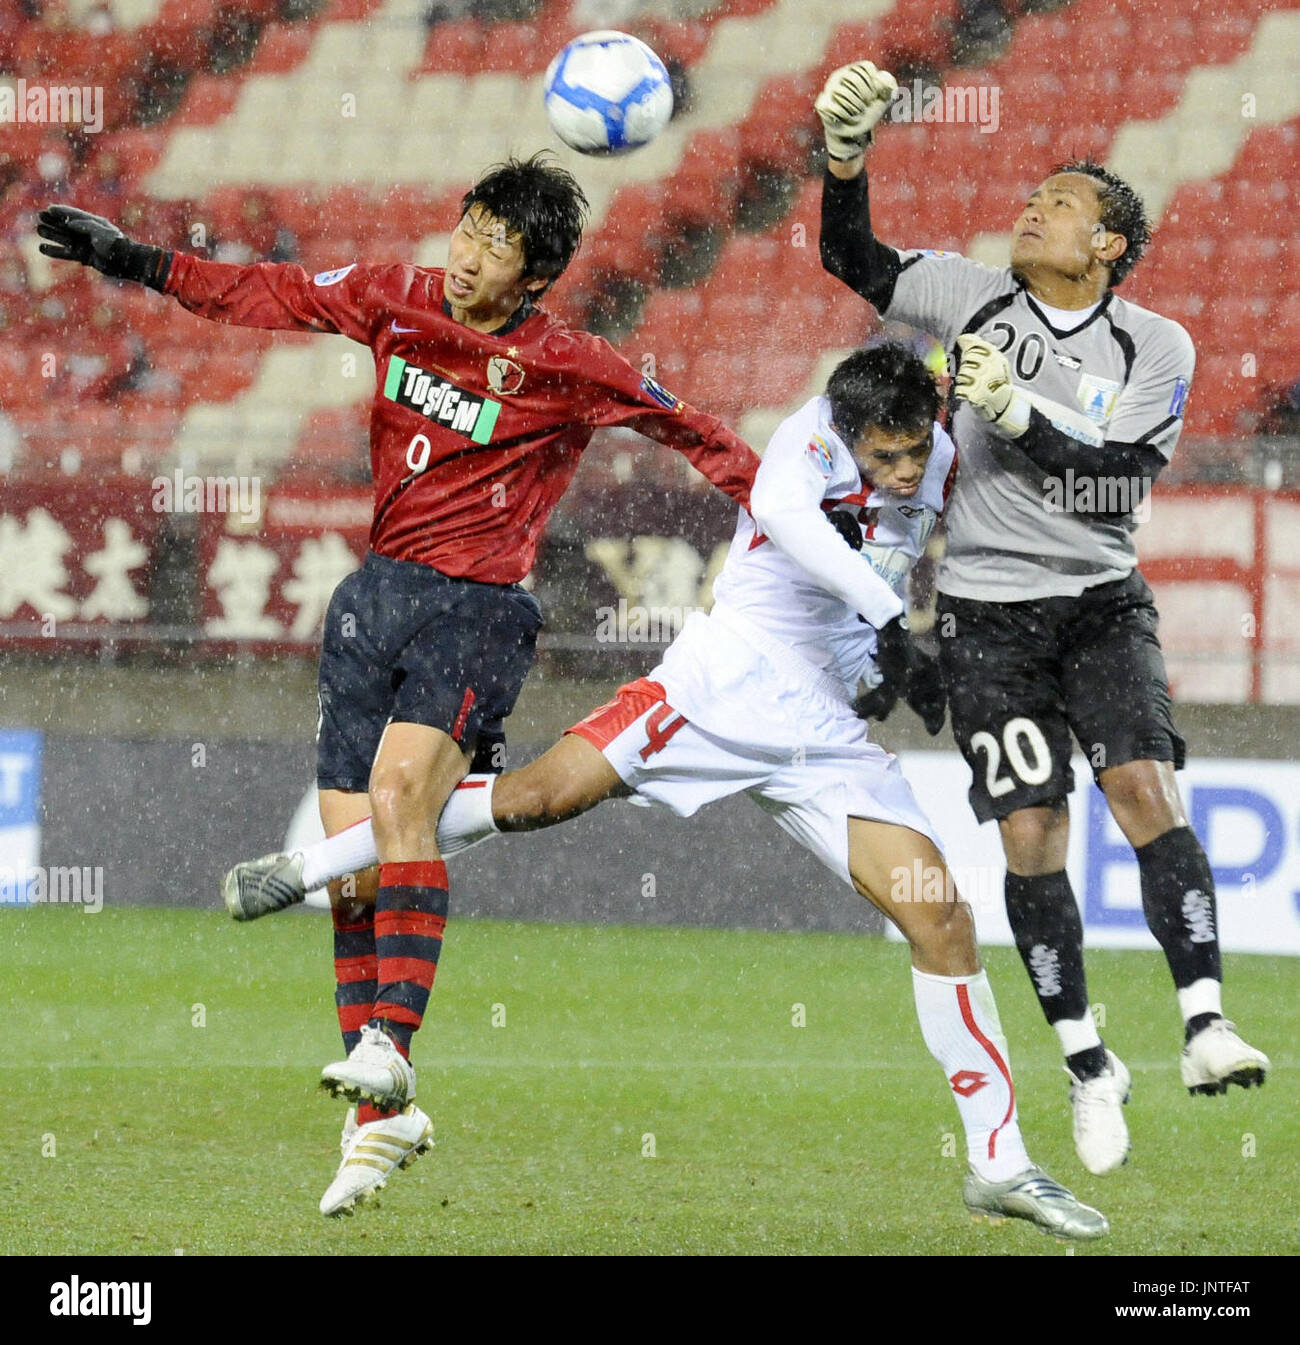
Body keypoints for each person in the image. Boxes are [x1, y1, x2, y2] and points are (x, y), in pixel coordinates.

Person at [225, 343, 1109, 1241]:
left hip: (822, 734)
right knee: (536, 797)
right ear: (845, 437)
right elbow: (791, 526)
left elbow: (1066, 466)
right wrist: (891, 629)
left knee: (942, 914)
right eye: (886, 457)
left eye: (918, 450)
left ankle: (999, 1163)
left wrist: (877, 666)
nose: (908, 469)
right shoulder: (804, 445)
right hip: (716, 684)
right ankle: (318, 863)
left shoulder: (940, 449)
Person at [37, 153, 760, 1216]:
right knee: (351, 879)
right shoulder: (396, 298)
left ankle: (389, 1043)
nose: (467, 254)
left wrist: (808, 522)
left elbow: (699, 434)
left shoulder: (572, 363)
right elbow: (263, 295)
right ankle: (383, 1115)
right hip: (374, 599)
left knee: (395, 797)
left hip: (478, 609)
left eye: (496, 244)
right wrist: (132, 259)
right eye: (466, 227)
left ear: (536, 275)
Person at [814, 62, 1269, 1177]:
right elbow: (851, 260)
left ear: (1106, 243)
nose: (1034, 207)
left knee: (1142, 790)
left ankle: (1205, 1022)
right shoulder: (967, 295)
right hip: (985, 616)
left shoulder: (1155, 347)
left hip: (1101, 606)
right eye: (1034, 194)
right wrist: (841, 160)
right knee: (1029, 833)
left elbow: (1116, 483)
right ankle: (1085, 1061)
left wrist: (1021, 410)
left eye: (1061, 202)